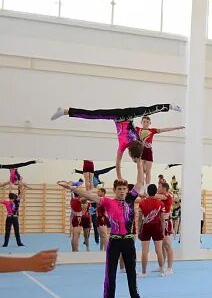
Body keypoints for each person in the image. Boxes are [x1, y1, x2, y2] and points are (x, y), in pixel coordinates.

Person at [58, 171, 150, 298]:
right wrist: (72, 188)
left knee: (131, 271)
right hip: (114, 241)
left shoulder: (130, 199)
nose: (122, 191)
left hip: (128, 241)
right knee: (110, 271)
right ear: (114, 190)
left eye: (124, 189)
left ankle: (135, 297)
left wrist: (139, 162)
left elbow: (139, 182)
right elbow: (89, 195)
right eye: (119, 189)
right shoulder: (108, 201)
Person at [51, 104, 180, 181]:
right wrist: (119, 177)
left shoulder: (138, 142)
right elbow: (117, 164)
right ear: (130, 152)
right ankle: (64, 111)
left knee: (149, 110)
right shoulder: (123, 145)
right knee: (93, 115)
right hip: (118, 117)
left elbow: (138, 153)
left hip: (129, 115)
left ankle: (171, 106)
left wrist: (144, 146)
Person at [135, 115, 184, 184]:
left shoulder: (152, 130)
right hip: (140, 151)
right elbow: (128, 127)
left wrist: (177, 128)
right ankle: (141, 186)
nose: (145, 123)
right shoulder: (137, 129)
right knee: (141, 170)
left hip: (148, 151)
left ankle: (147, 187)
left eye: (147, 122)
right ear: (141, 122)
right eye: (144, 122)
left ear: (150, 123)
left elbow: (164, 129)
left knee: (148, 171)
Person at [137, 184, 166, 277]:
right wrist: (163, 231)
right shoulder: (160, 203)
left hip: (146, 227)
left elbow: (139, 219)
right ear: (156, 192)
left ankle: (144, 272)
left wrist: (138, 230)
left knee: (145, 251)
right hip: (157, 227)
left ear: (147, 192)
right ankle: (162, 271)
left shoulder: (142, 203)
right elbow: (162, 219)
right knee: (159, 250)